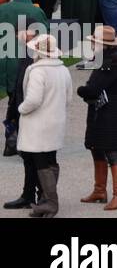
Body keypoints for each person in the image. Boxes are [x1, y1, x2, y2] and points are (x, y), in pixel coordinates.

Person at [75, 25, 117, 211]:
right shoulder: (111, 60)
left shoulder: (108, 64)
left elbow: (93, 89)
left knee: (113, 152)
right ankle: (99, 190)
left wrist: (81, 90)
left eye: (94, 42)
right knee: (97, 149)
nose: (92, 45)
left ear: (101, 44)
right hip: (104, 112)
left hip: (110, 114)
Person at [13, 33, 70, 218]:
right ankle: (46, 200)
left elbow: (33, 100)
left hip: (38, 124)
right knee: (50, 160)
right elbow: (68, 98)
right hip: (56, 121)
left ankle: (51, 203)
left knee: (41, 163)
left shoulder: (38, 71)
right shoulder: (63, 69)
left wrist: (21, 109)